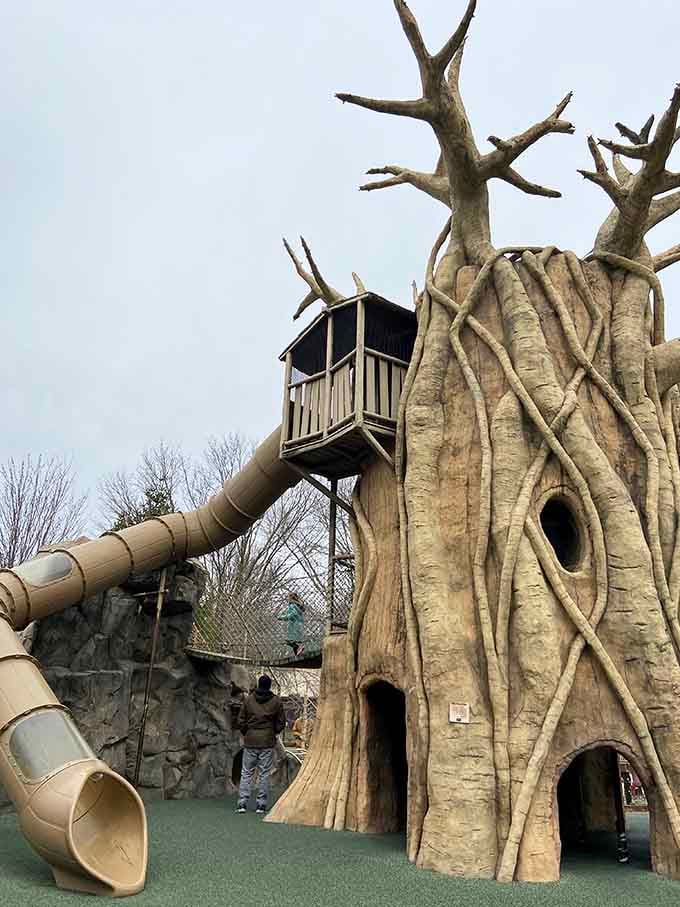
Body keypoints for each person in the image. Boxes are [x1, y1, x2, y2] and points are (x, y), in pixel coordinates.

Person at [236, 675, 286, 814]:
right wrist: (273, 731)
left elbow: (240, 720)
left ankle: (242, 803)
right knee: (264, 773)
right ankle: (261, 805)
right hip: (267, 741)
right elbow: (281, 722)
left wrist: (247, 732)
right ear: (269, 685)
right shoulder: (276, 701)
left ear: (258, 684)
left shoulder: (248, 700)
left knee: (246, 772)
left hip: (250, 740)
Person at [277, 591, 305, 656]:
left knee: (289, 641)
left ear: (290, 598)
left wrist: (282, 617)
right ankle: (298, 653)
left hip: (293, 625)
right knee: (295, 641)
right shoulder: (298, 607)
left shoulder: (292, 605)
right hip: (299, 625)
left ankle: (299, 648)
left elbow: (293, 614)